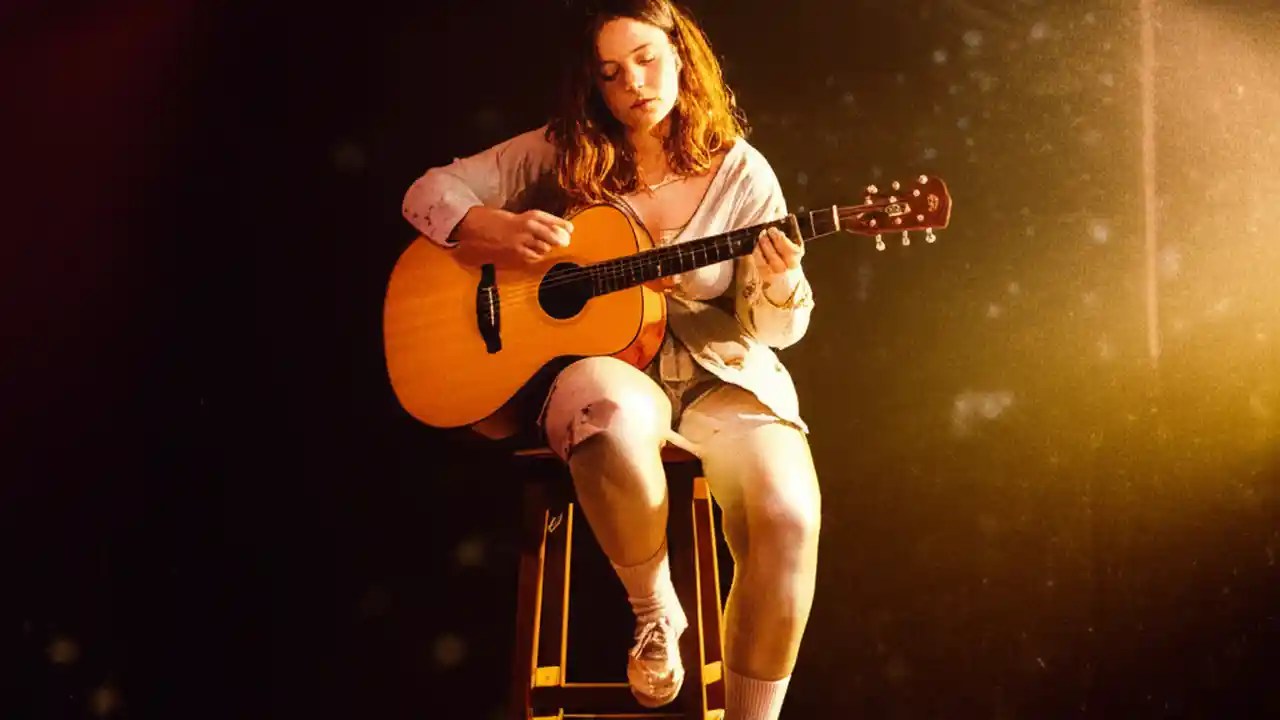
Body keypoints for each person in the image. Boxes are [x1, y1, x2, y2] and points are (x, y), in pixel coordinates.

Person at [401, 2, 820, 718]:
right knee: (607, 414)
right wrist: (490, 226)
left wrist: (781, 280)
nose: (634, 81)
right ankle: (657, 612)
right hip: (609, 365)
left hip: (719, 372)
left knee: (786, 514)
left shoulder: (740, 172)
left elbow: (775, 331)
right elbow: (426, 195)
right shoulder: (561, 151)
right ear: (594, 86)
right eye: (611, 72)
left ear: (683, 57)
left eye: (648, 59)